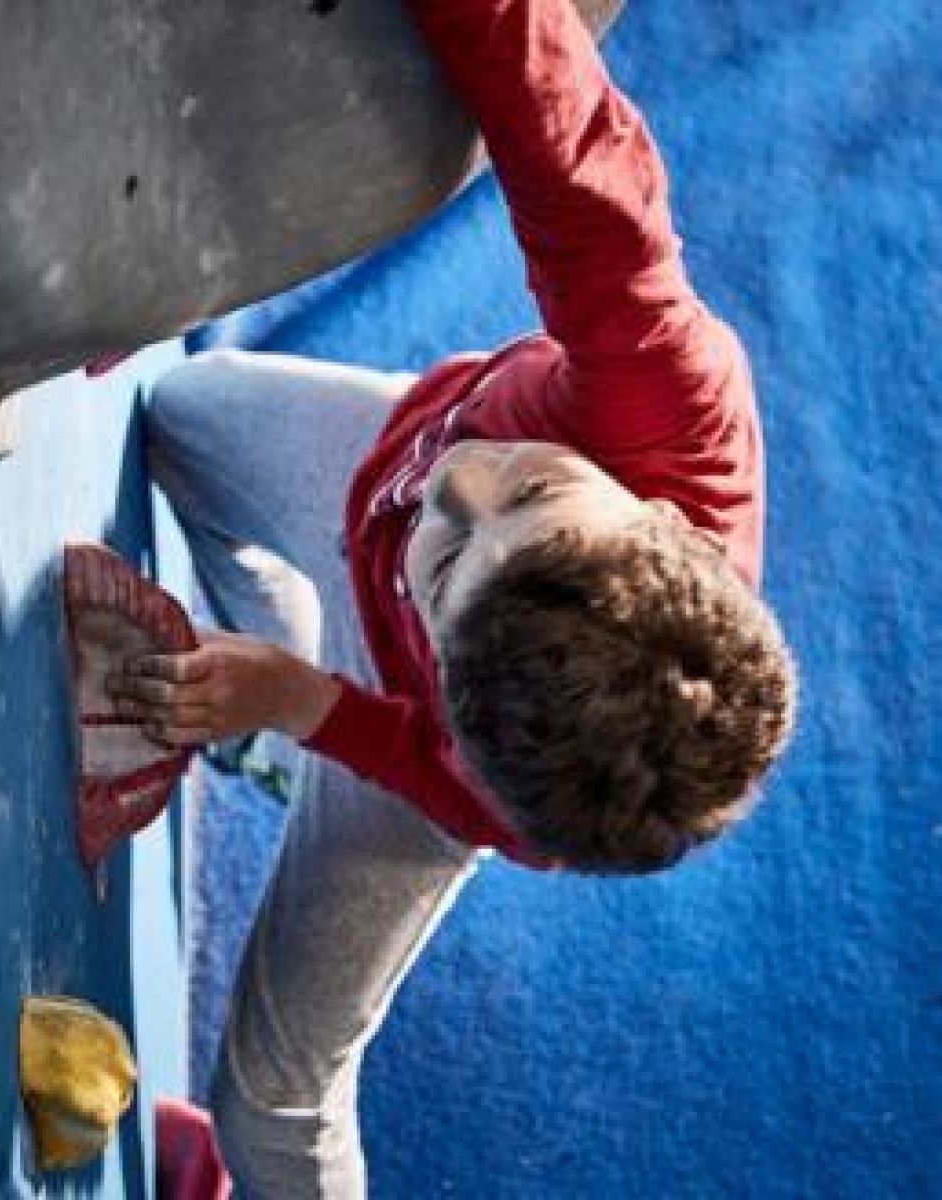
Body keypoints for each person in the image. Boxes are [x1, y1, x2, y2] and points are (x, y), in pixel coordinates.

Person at [108, 0, 798, 1194]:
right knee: (187, 413)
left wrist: (306, 703)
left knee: (268, 1102)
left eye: (449, 561)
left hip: (397, 727)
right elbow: (577, 164)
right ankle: (270, 652)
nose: (463, 483)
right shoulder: (667, 397)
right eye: (528, 489)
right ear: (657, 519)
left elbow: (433, 763)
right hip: (368, 467)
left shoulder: (500, 781)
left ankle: (279, 705)